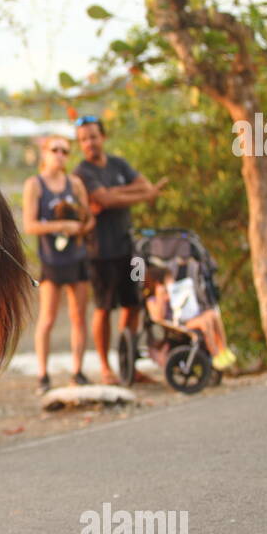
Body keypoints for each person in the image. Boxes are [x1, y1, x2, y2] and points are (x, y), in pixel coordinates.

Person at [74, 116, 168, 385]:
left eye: (93, 136)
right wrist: (140, 195)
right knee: (103, 308)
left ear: (102, 137)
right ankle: (105, 368)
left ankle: (129, 364)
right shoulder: (83, 172)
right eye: (83, 139)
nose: (89, 143)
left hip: (129, 247)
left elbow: (142, 185)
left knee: (133, 304)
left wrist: (117, 194)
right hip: (100, 250)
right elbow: (105, 199)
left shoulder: (118, 164)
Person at [22, 135, 93, 393]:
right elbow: (30, 225)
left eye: (65, 150)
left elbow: (89, 218)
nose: (60, 155)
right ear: (44, 153)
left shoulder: (74, 184)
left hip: (77, 257)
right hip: (52, 260)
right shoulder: (35, 185)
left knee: (78, 317)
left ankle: (78, 370)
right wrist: (61, 225)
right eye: (55, 150)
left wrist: (80, 228)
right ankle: (43, 374)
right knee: (48, 318)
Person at [144, 262, 237, 370]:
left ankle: (223, 349)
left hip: (188, 317)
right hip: (177, 323)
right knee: (205, 323)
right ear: (158, 283)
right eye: (168, 280)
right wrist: (161, 297)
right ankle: (215, 354)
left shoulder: (173, 293)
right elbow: (158, 317)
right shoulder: (152, 300)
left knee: (212, 314)